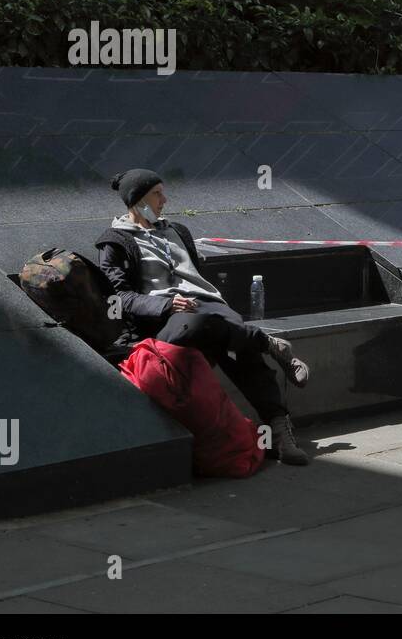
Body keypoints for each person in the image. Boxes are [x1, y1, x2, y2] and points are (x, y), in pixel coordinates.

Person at [95, 168, 313, 466]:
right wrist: (167, 305)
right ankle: (271, 344)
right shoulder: (115, 242)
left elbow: (196, 279)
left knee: (232, 340)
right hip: (163, 320)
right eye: (157, 193)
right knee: (212, 327)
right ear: (137, 200)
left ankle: (278, 429)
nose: (165, 200)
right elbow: (119, 298)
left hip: (207, 307)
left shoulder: (178, 231)